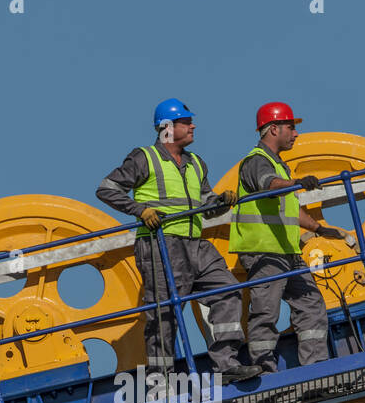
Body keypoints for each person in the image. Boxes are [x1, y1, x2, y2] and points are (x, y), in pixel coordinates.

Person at [96, 98, 260, 383]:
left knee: (228, 290)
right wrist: (141, 210)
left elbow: (207, 203)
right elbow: (106, 188)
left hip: (196, 242)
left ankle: (226, 364)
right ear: (168, 128)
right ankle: (162, 379)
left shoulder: (197, 163)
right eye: (186, 122)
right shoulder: (143, 157)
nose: (193, 126)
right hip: (161, 244)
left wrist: (222, 202)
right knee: (165, 313)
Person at [230, 102, 346, 372]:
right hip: (264, 252)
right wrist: (295, 183)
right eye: (290, 127)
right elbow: (269, 187)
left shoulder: (281, 167)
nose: (296, 134)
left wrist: (319, 229)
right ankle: (263, 370)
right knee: (266, 312)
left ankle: (316, 366)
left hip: (287, 251)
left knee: (310, 303)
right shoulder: (256, 162)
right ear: (273, 129)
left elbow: (289, 209)